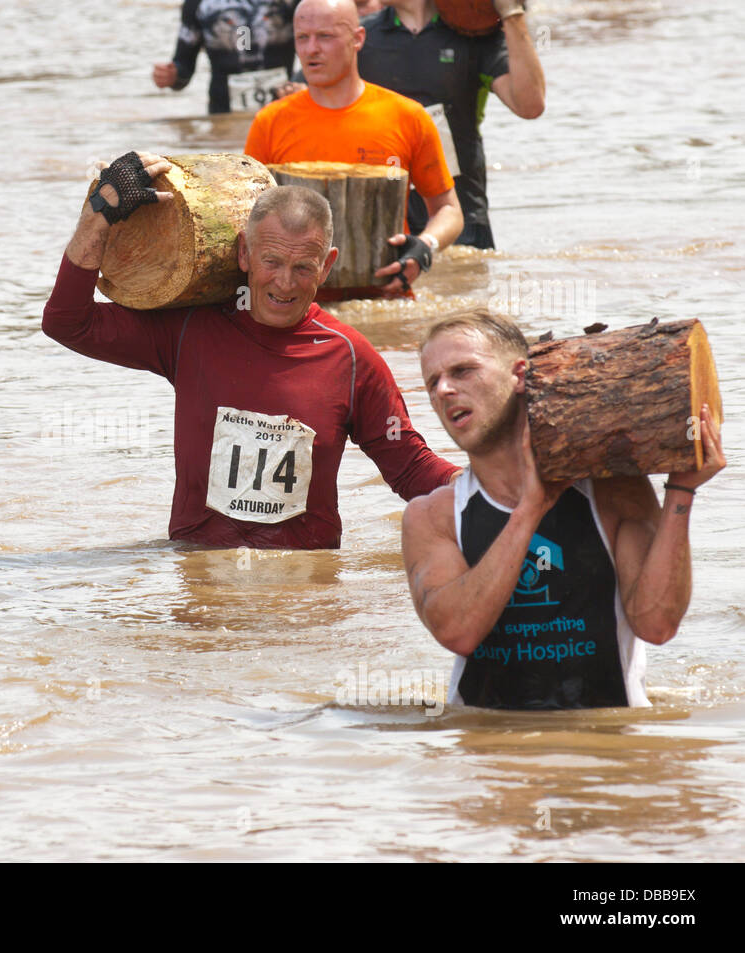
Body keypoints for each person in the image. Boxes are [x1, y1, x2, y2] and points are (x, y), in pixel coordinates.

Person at [42, 154, 459, 549]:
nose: (285, 283)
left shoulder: (351, 358)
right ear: (244, 252)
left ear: (327, 265)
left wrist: (495, 487)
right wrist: (97, 217)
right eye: (271, 262)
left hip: (305, 588)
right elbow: (67, 321)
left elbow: (410, 469)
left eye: (303, 268)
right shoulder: (191, 331)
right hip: (200, 578)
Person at [402, 312, 725, 709]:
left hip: (610, 745)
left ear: (519, 376)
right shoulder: (432, 516)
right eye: (432, 382)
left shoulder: (613, 491)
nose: (444, 390)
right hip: (486, 756)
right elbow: (457, 632)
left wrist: (680, 490)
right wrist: (529, 509)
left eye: (463, 371)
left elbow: (657, 625)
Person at [244, 0, 463, 295]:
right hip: (296, 302)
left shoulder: (410, 116)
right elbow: (246, 216)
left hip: (384, 296)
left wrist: (424, 247)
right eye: (302, 38)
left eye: (325, 36)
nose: (311, 49)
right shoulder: (269, 122)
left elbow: (448, 209)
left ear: (358, 38)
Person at [358, 1, 545, 248]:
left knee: (465, 283)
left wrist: (511, 14)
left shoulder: (475, 30)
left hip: (461, 215)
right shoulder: (361, 37)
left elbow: (530, 105)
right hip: (383, 220)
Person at [153, 1, 297, 115]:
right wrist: (171, 75)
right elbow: (184, 66)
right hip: (223, 115)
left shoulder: (295, 3)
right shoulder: (197, 4)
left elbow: (314, 54)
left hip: (286, 104)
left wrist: (303, 86)